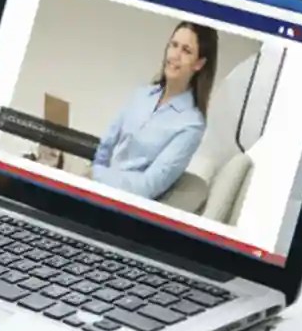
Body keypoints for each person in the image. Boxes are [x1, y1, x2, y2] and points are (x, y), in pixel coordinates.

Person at [91, 21, 219, 200]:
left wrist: (96, 176)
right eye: (173, 45)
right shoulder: (142, 95)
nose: (175, 55)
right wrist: (92, 179)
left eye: (186, 50)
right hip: (96, 188)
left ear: (199, 63)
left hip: (125, 204)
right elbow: (106, 145)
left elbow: (148, 186)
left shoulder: (192, 125)